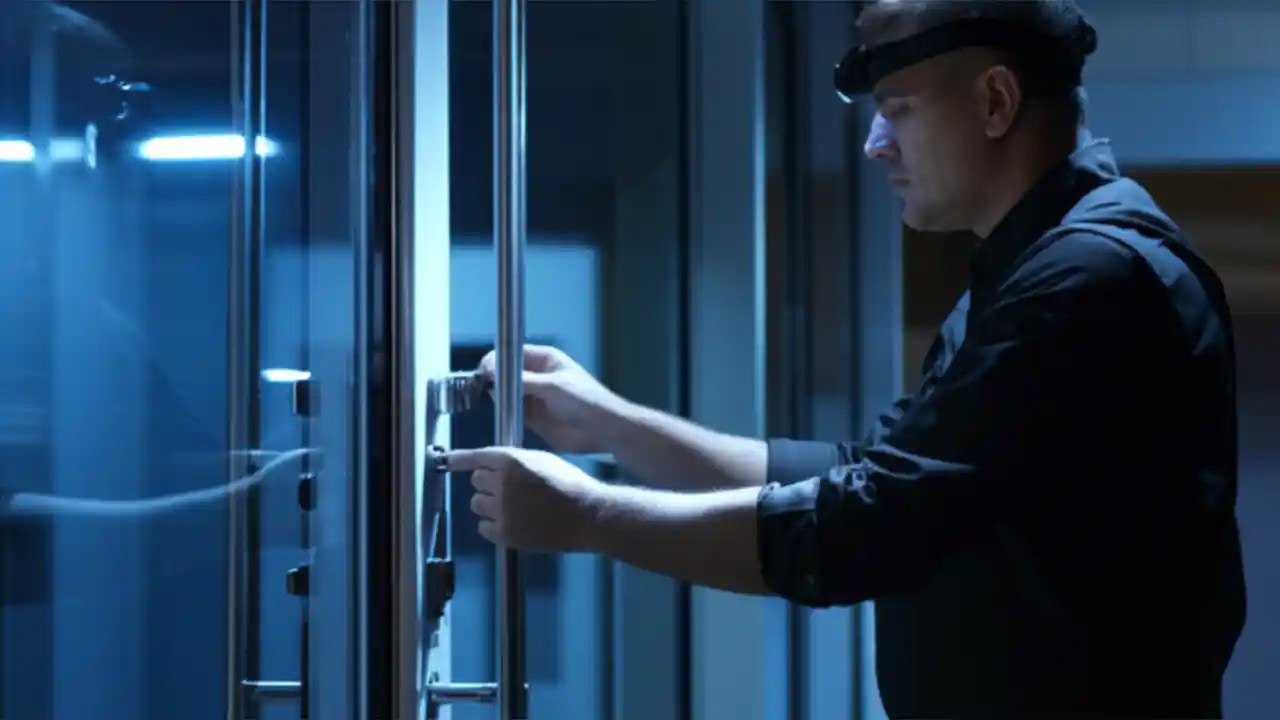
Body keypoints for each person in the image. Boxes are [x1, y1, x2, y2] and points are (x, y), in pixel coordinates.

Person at [446, 1, 1247, 717]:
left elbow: (872, 520)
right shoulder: (1039, 271)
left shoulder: (1089, 279)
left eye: (897, 109)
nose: (874, 143)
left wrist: (590, 517)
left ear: (996, 101)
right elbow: (875, 472)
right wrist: (612, 427)